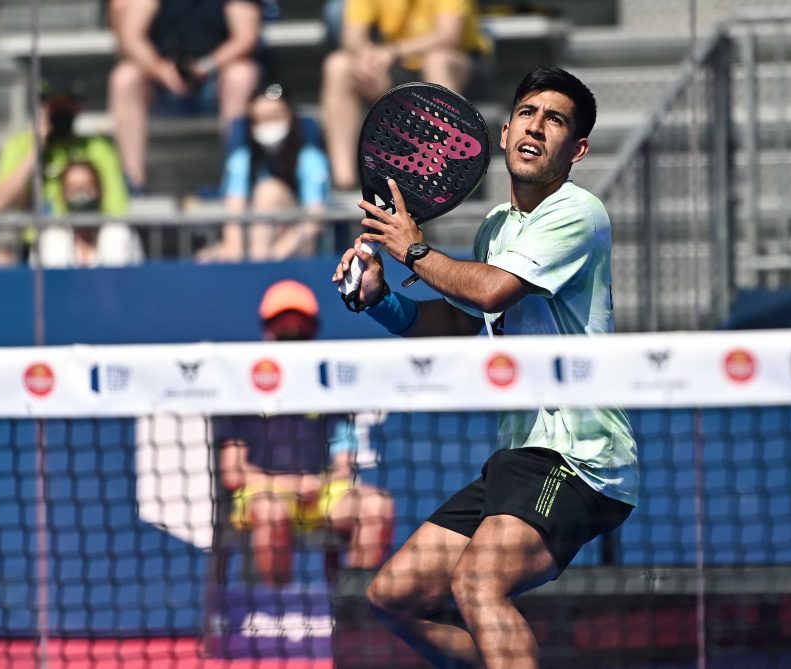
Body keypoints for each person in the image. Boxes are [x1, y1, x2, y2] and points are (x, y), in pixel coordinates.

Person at [331, 67, 637, 669]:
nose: (536, 126)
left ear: (576, 150)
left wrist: (414, 249)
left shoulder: (579, 211)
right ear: (504, 133)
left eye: (555, 120)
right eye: (528, 113)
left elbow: (493, 291)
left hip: (580, 455)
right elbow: (464, 319)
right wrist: (382, 300)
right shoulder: (496, 227)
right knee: (395, 598)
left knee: (478, 584)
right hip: (518, 455)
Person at [215, 279, 395, 585]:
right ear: (267, 331)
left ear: (313, 331)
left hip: (319, 492)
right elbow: (232, 472)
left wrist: (317, 482)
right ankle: (279, 609)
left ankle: (352, 607)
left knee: (376, 506)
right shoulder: (242, 388)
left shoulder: (329, 389)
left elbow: (343, 464)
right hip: (264, 495)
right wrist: (287, 483)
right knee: (272, 514)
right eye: (283, 329)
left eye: (299, 330)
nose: (292, 337)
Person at [320, 0, 493, 190]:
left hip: (459, 61)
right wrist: (368, 56)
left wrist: (393, 51)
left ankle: (446, 173)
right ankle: (345, 182)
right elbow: (352, 37)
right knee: (338, 66)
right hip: (399, 63)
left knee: (437, 61)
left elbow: (449, 36)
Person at [108, 0, 262, 193]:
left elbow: (245, 38)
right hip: (159, 80)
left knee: (242, 75)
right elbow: (131, 37)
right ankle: (134, 184)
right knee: (125, 78)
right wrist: (160, 69)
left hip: (214, 77)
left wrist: (205, 66)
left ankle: (238, 178)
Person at [199, 84, 330, 262]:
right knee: (205, 258)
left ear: (290, 117)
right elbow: (234, 218)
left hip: (297, 245)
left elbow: (314, 221)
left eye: (275, 116)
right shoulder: (241, 160)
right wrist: (235, 258)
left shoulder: (310, 159)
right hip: (253, 246)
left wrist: (272, 257)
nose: (268, 124)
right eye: (260, 119)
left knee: (268, 191)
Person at [0, 85, 129, 217]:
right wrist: (34, 153)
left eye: (64, 106)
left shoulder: (98, 148)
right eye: (53, 106)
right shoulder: (20, 145)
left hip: (85, 238)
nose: (59, 113)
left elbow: (117, 211)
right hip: (35, 239)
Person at [35, 161, 145, 268]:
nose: (81, 195)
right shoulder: (50, 238)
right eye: (72, 189)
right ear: (62, 195)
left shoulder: (120, 233)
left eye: (87, 188)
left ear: (100, 191)